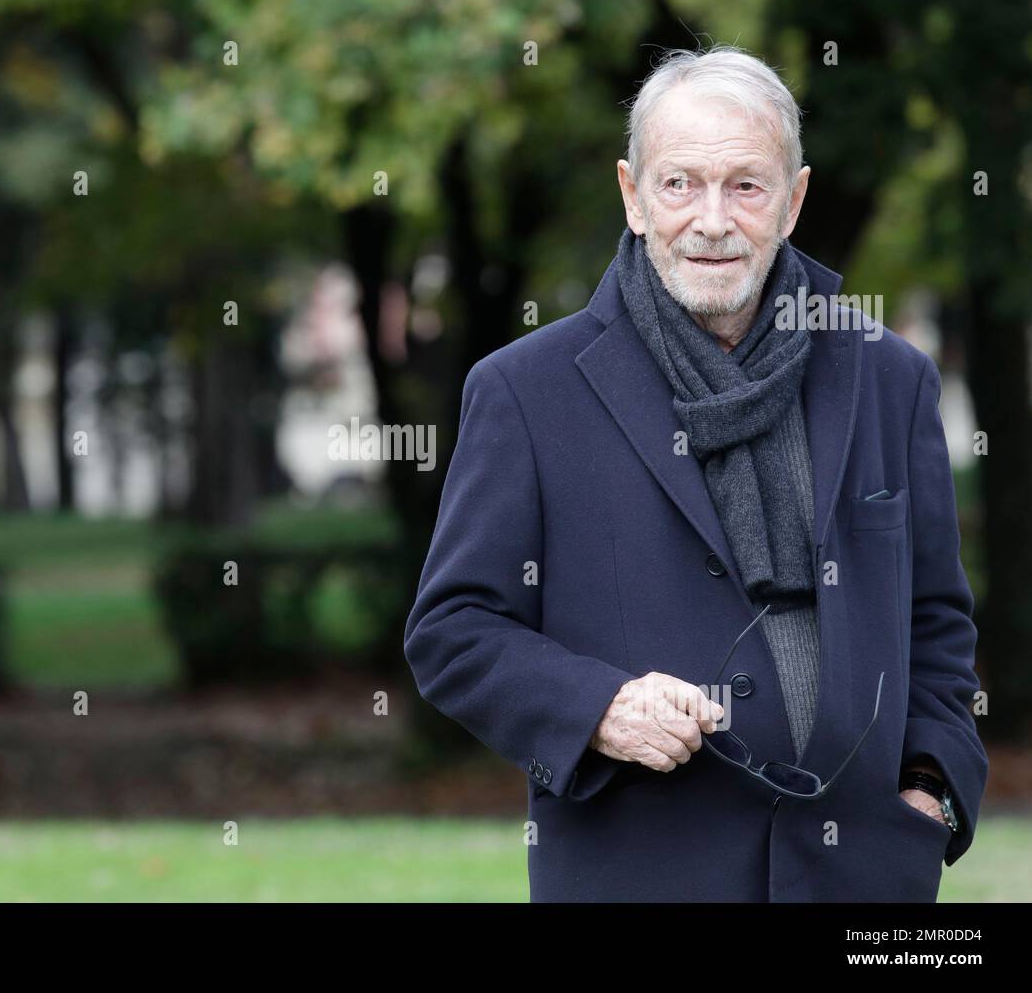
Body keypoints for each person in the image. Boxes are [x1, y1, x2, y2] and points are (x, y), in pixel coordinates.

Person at [403, 45, 986, 902]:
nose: (712, 220)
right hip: (638, 871)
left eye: (746, 186)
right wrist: (597, 708)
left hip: (863, 879)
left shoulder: (891, 378)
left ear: (793, 202)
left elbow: (936, 622)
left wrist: (933, 790)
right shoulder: (525, 390)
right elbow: (451, 631)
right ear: (633, 197)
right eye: (680, 184)